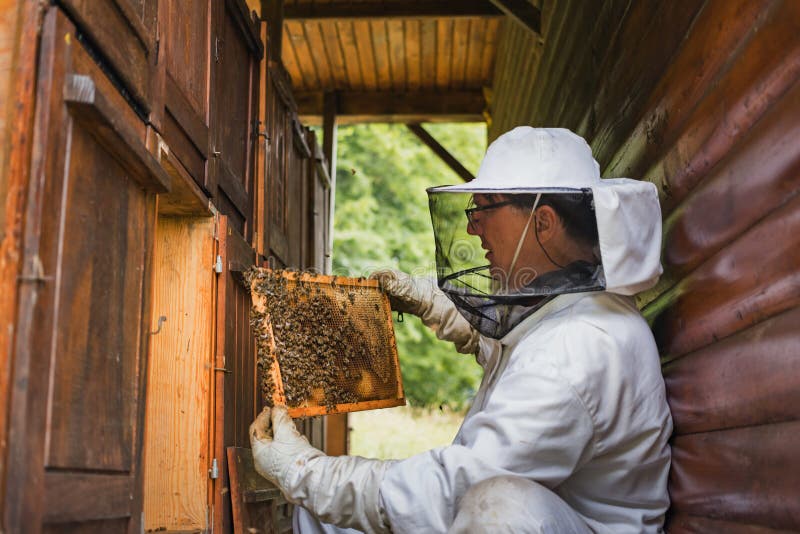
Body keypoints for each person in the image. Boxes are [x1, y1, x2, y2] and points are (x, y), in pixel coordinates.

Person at [250, 127, 672, 533]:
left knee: (499, 509)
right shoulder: (572, 311)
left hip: (540, 523)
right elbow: (499, 342)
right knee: (323, 520)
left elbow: (455, 490)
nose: (473, 227)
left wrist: (304, 472)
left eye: (485, 207)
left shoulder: (578, 349)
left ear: (542, 223)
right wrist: (425, 298)